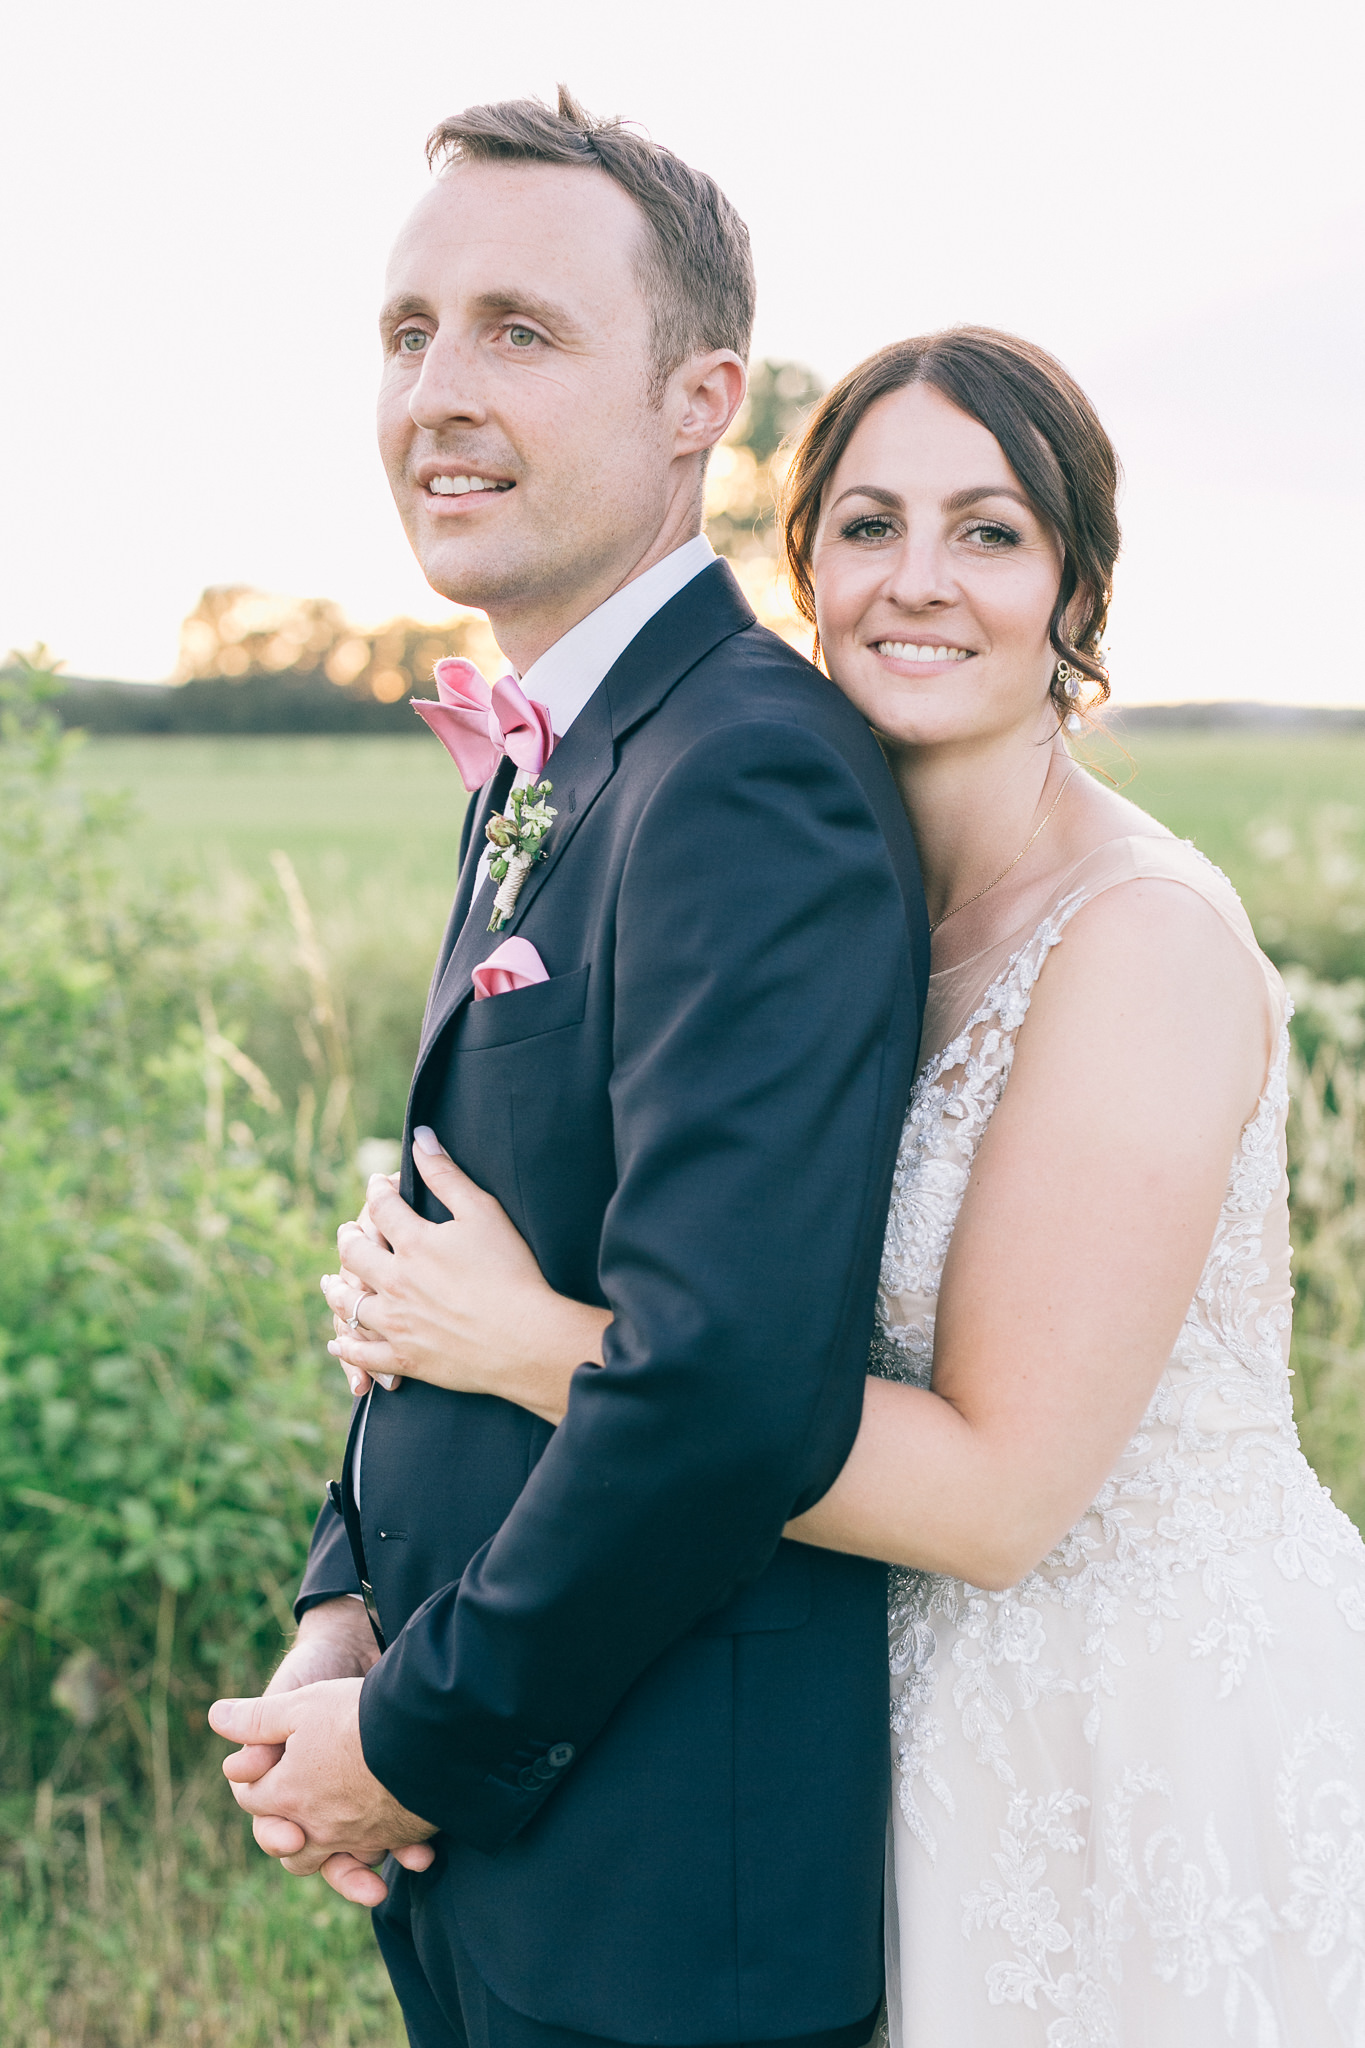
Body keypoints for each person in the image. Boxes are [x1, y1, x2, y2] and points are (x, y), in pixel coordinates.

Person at [324, 327, 1365, 2044]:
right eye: (867, 525)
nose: (918, 582)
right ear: (799, 568)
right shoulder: (824, 893)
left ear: (1075, 587)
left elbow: (993, 1501)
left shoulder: (1137, 947)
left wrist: (525, 1344)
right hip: (882, 1726)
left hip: (1132, 1730)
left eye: (990, 530)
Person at [208, 90, 929, 2048]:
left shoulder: (743, 771)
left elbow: (718, 1387)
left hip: (650, 1897)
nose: (437, 389)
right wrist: (340, 1606)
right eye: (407, 330)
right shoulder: (552, 750)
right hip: (507, 1854)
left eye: (519, 332)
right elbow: (455, 1239)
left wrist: (415, 1742)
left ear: (699, 398)